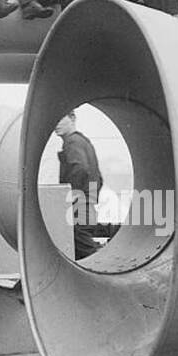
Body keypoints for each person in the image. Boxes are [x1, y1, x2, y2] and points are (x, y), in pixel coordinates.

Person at [55, 112, 109, 261]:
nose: (56, 124)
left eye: (60, 119)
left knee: (81, 245)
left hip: (79, 204)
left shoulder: (72, 142)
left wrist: (71, 194)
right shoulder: (83, 141)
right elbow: (98, 177)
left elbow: (80, 168)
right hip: (87, 203)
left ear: (72, 119)